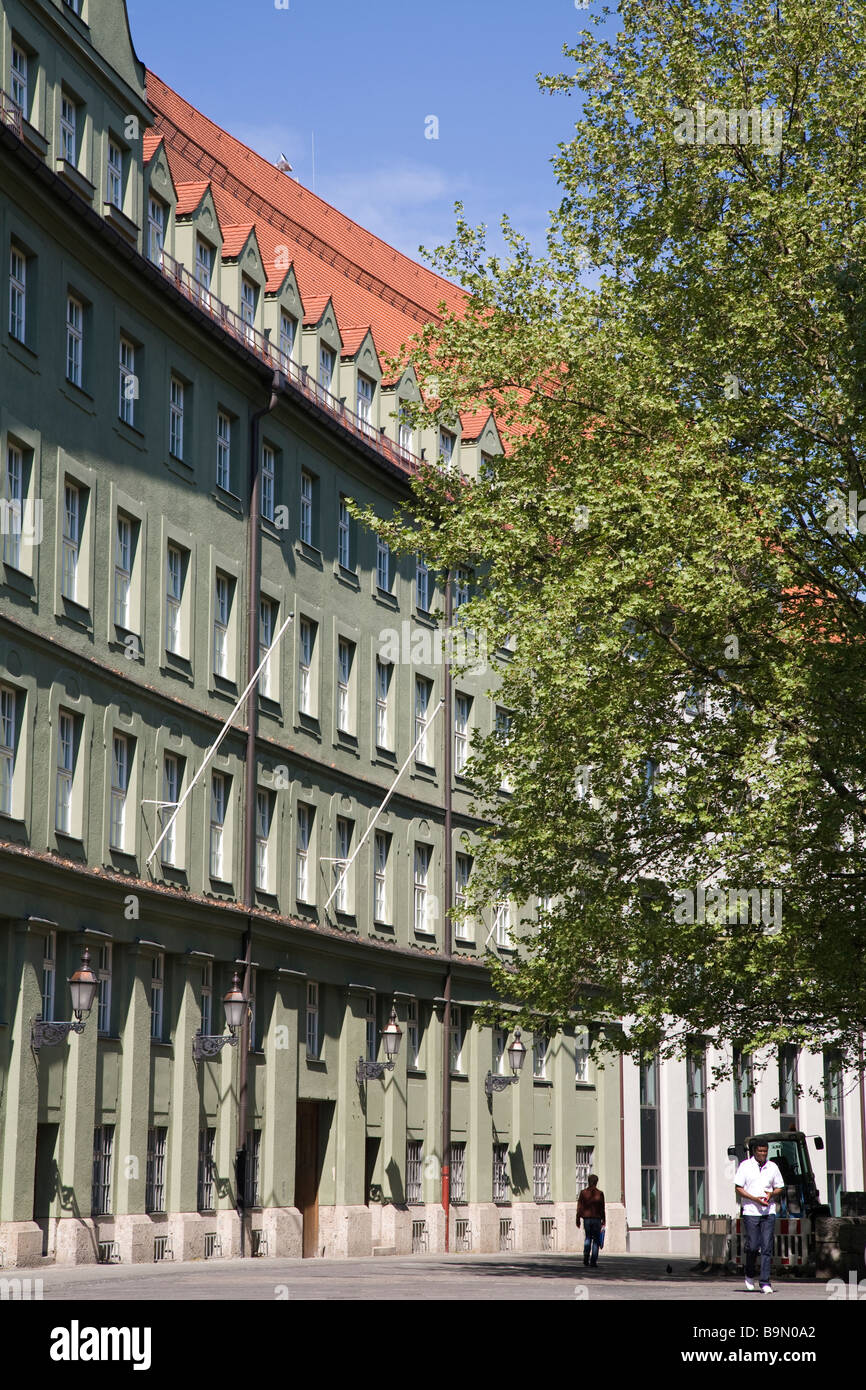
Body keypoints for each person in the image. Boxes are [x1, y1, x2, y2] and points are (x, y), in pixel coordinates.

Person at [734, 1141, 785, 1294]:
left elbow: (779, 1187)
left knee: (767, 1247)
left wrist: (771, 1194)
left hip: (768, 1212)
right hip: (751, 1211)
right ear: (754, 1151)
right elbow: (738, 1188)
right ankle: (749, 1273)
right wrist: (755, 1199)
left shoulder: (772, 1167)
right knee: (753, 1246)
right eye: (760, 1151)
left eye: (765, 1151)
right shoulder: (745, 1166)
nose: (763, 1154)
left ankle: (765, 1282)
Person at [577, 1174, 606, 1267]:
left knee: (588, 1237)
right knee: (596, 1240)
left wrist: (578, 1218)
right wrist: (604, 1220)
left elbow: (579, 1206)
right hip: (597, 1219)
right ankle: (593, 1261)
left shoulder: (583, 1193)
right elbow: (602, 1208)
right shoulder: (600, 1193)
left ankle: (586, 1257)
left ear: (588, 1182)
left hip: (587, 1219)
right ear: (596, 1182)